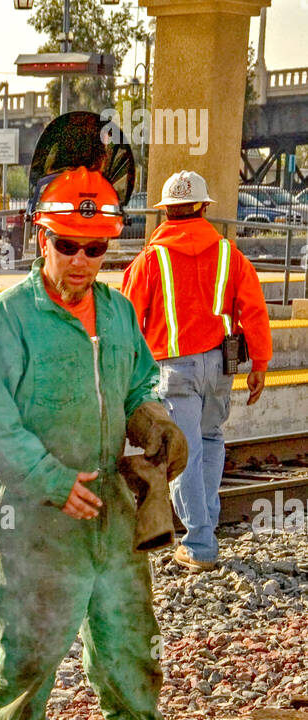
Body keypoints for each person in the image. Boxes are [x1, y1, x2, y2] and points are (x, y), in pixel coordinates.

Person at [0, 166, 185, 720]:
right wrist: (54, 483)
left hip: (110, 514)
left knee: (127, 639)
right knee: (29, 650)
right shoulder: (4, 321)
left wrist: (151, 425)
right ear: (41, 237)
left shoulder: (116, 313)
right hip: (35, 521)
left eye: (96, 248)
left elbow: (138, 382)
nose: (83, 261)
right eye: (69, 245)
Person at [122, 170, 273, 571]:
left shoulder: (150, 260)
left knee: (183, 452)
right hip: (221, 366)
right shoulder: (229, 254)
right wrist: (259, 364)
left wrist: (124, 375)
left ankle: (200, 543)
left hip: (175, 372)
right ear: (204, 208)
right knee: (209, 441)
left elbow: (128, 321)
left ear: (166, 212)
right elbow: (254, 310)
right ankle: (204, 527)